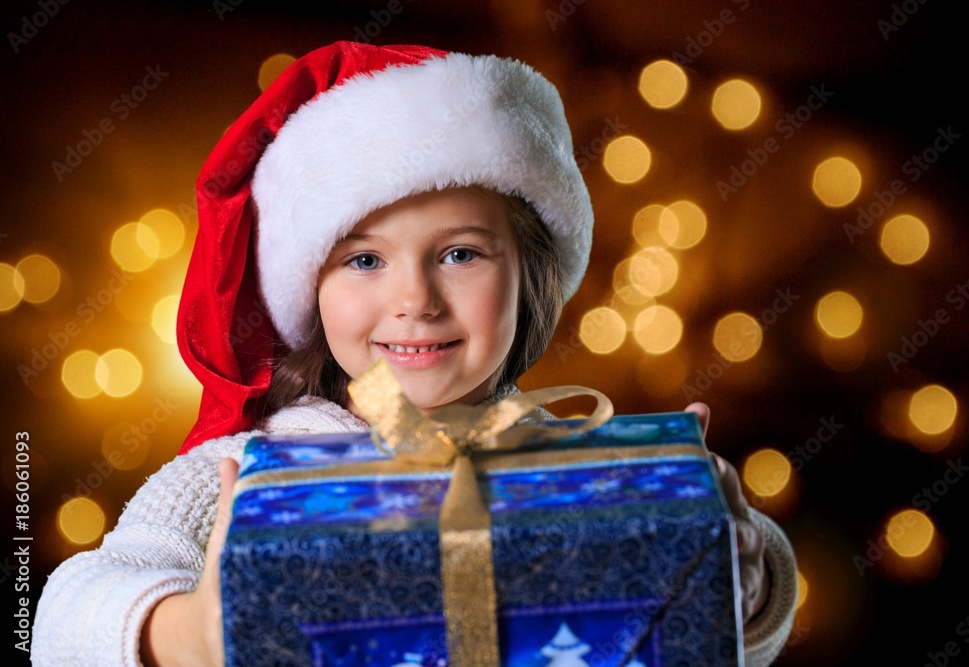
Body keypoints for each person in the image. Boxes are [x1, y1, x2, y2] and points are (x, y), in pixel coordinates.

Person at [32, 41, 797, 666]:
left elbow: (689, 633)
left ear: (530, 278)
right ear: (310, 291)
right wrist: (189, 633)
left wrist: (737, 569)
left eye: (461, 254)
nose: (416, 300)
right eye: (365, 261)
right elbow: (64, 621)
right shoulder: (248, 467)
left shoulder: (570, 462)